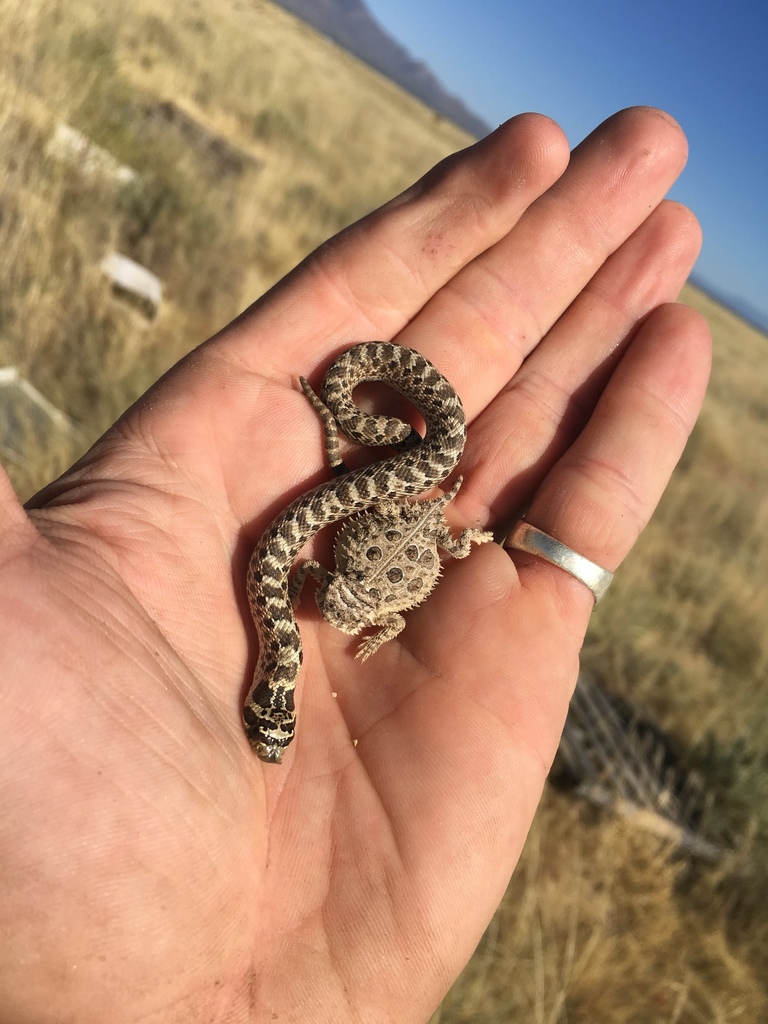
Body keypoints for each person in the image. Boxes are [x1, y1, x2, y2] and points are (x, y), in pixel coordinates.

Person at [0, 107, 710, 1023]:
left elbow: (301, 564)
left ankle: (360, 416)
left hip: (394, 459)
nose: (271, 729)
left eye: (270, 722)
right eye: (275, 727)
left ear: (271, 690)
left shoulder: (285, 607)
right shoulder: (282, 620)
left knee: (375, 438)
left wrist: (355, 438)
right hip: (395, 459)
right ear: (274, 690)